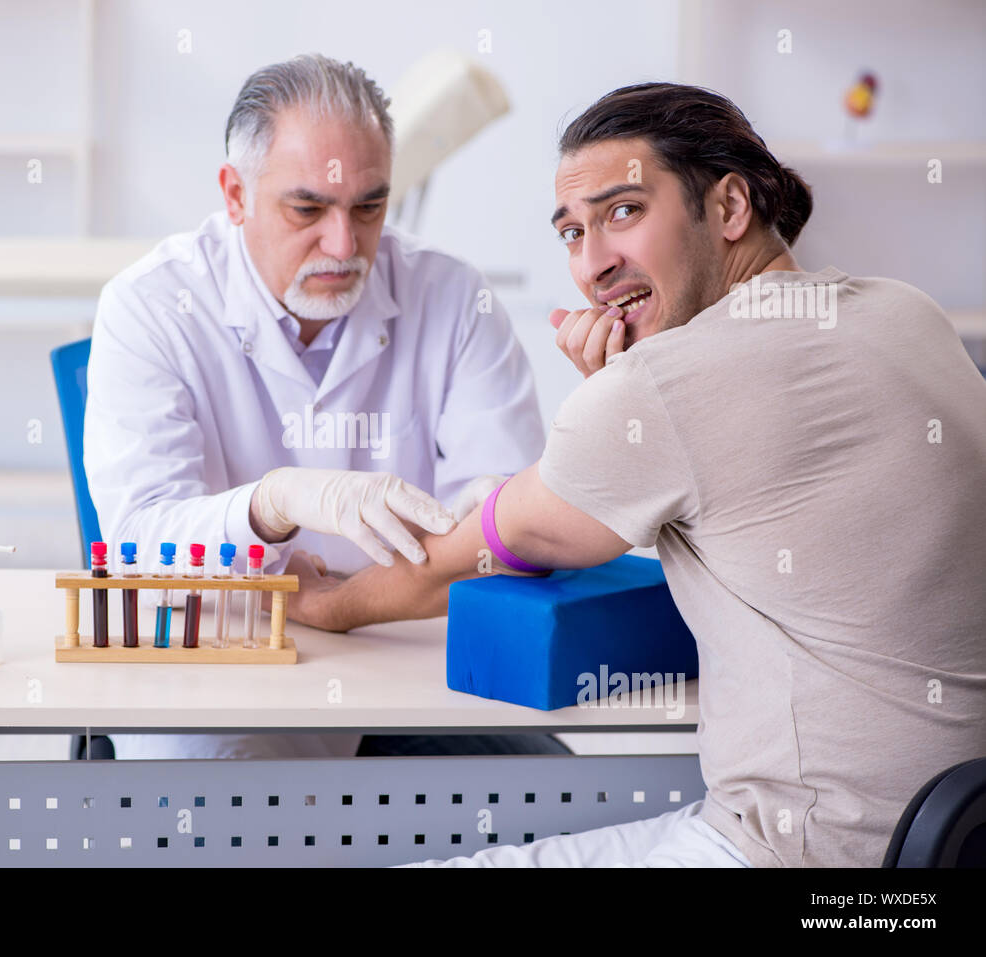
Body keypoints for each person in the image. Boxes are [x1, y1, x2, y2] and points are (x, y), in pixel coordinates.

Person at [287, 82, 986, 867]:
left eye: (623, 212)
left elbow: (467, 556)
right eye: (571, 232)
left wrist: (326, 602)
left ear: (728, 208)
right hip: (950, 839)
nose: (593, 265)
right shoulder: (906, 311)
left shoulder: (670, 385)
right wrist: (629, 402)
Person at [81, 54, 545, 760]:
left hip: (406, 663)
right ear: (235, 195)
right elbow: (140, 546)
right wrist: (274, 502)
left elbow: (511, 534)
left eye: (369, 207)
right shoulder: (149, 306)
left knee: (556, 801)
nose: (344, 244)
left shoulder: (453, 299)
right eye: (307, 209)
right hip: (217, 671)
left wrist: (343, 603)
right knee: (221, 799)